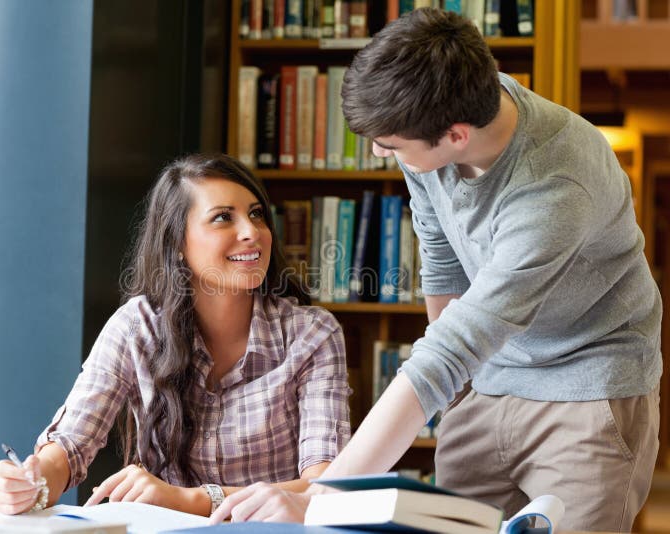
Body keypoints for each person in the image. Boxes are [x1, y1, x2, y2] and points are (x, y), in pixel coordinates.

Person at [212, 8, 662, 532]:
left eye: (392, 145)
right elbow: (441, 253)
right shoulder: (434, 107)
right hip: (489, 376)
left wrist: (321, 498)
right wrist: (459, 391)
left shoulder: (553, 188)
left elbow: (454, 346)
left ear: (456, 135)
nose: (381, 153)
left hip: (586, 385)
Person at [0, 153, 352, 516]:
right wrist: (31, 483)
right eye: (223, 217)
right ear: (178, 242)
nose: (251, 232)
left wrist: (191, 499)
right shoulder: (137, 328)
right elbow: (69, 448)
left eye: (256, 214)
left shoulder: (312, 334)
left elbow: (325, 485)